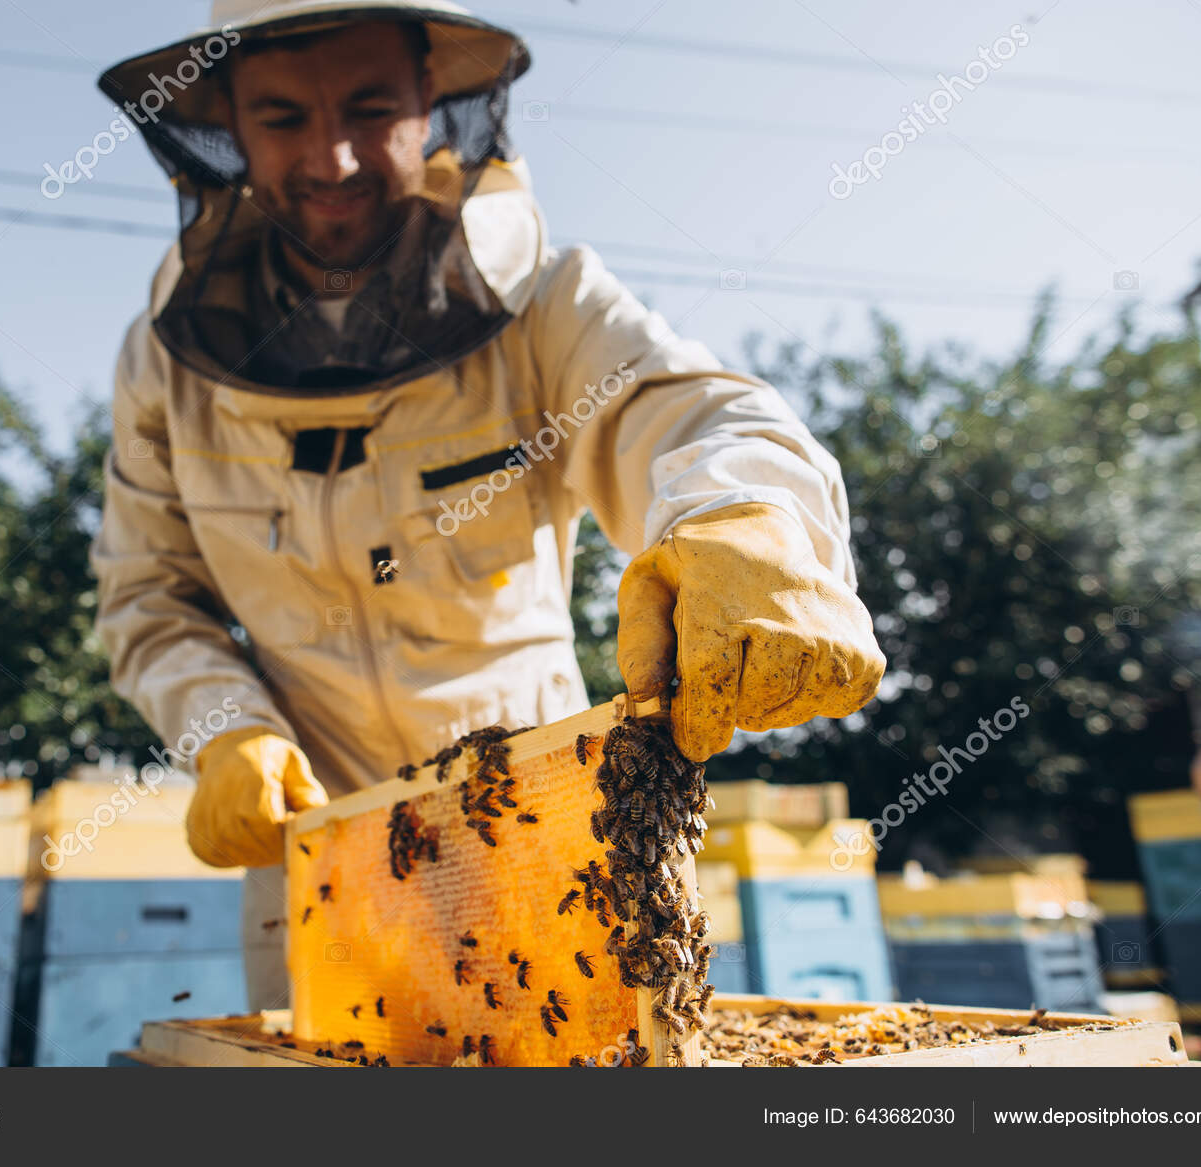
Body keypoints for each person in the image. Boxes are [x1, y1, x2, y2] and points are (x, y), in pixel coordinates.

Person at [90, 0, 885, 1010]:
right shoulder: (166, 363)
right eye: (283, 118)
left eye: (370, 107)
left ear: (432, 103)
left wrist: (748, 520)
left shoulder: (544, 301)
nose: (331, 158)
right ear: (227, 128)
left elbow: (689, 415)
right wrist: (223, 725)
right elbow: (146, 594)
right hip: (317, 858)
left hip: (556, 841)